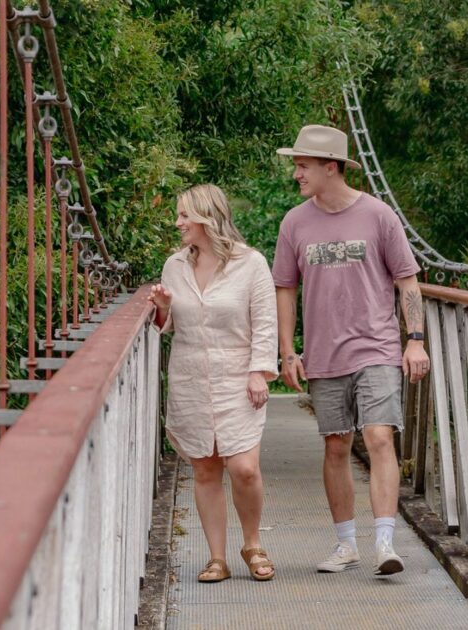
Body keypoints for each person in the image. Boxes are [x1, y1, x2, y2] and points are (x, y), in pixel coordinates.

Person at [271, 124, 430, 577]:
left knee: (379, 438)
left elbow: (407, 281)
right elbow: (284, 287)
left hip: (376, 347)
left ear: (331, 167)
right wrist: (288, 351)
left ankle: (384, 543)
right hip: (324, 353)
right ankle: (346, 545)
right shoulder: (294, 222)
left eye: (303, 165)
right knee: (336, 446)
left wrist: (413, 341)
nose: (297, 173)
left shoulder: (379, 216)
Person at [147, 184, 279, 583]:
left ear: (207, 216)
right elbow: (166, 328)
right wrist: (164, 309)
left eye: (185, 215)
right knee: (205, 470)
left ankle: (252, 542)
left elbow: (266, 322)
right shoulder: (175, 266)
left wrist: (259, 371)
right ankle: (217, 557)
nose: (178, 222)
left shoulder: (251, 264)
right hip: (191, 380)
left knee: (244, 468)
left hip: (238, 380)